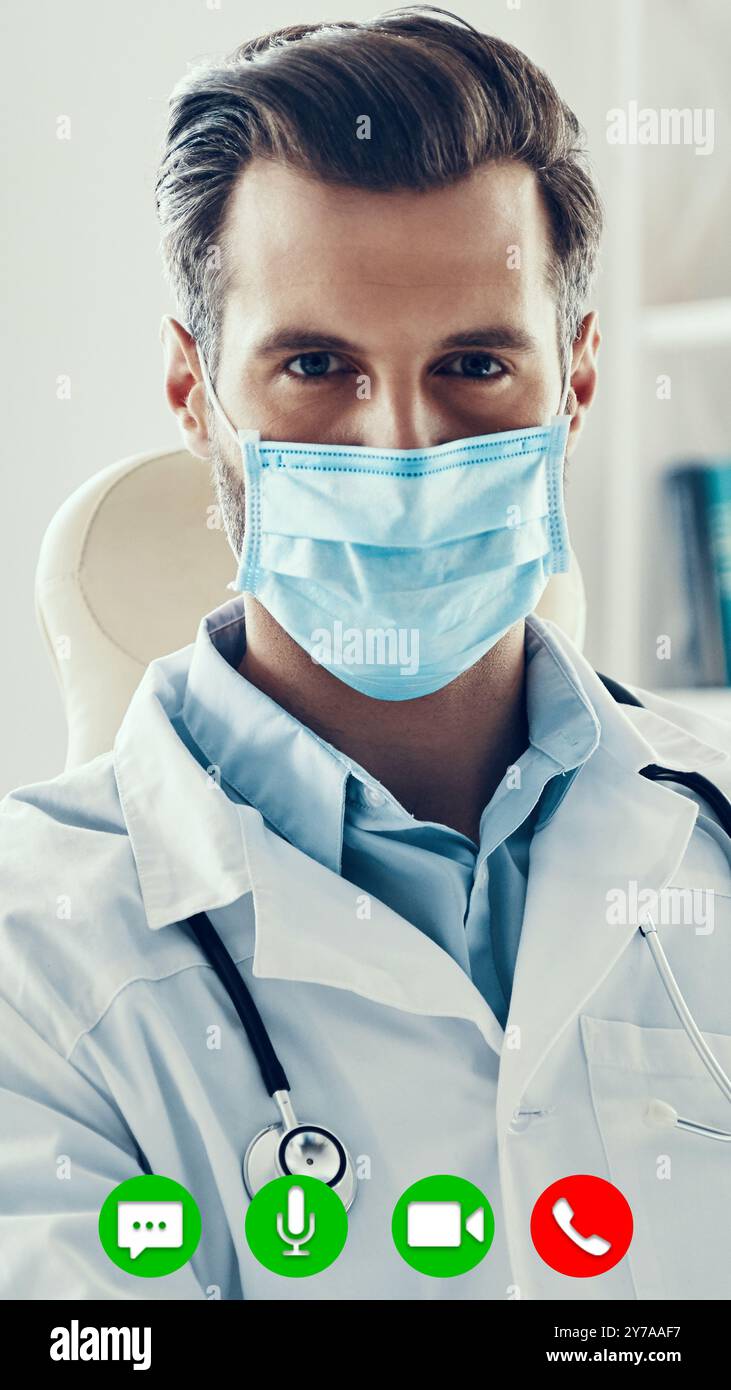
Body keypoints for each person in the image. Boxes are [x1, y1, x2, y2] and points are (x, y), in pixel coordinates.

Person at [1, 7, 730, 1302]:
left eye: (473, 365)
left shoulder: (709, 834)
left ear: (576, 379)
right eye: (317, 364)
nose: (401, 446)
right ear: (194, 392)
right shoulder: (32, 952)